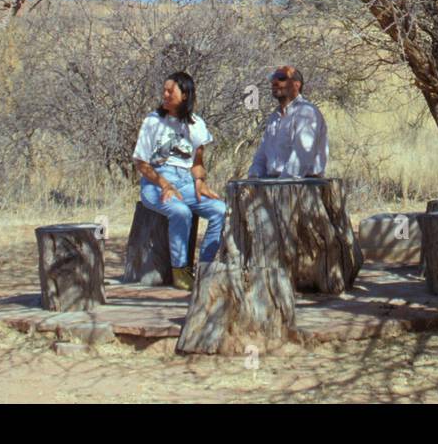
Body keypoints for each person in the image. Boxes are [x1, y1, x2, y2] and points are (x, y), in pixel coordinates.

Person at [132, 71, 226, 292]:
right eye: (163, 90)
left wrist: (200, 182)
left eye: (169, 91)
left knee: (220, 210)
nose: (164, 94)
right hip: (156, 182)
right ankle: (180, 270)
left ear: (185, 95)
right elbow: (141, 163)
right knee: (181, 212)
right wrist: (164, 184)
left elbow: (198, 160)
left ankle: (205, 268)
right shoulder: (152, 121)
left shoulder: (196, 124)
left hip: (186, 181)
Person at [247, 65, 328, 179]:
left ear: (296, 84)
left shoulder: (306, 113)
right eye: (273, 78)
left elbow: (300, 160)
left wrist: (279, 186)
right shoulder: (274, 117)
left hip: (302, 185)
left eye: (281, 77)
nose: (274, 82)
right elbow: (262, 155)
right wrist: (253, 177)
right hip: (276, 184)